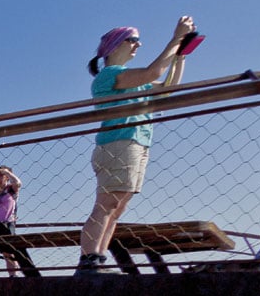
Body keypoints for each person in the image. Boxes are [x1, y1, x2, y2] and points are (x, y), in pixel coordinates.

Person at [76, 16, 195, 274]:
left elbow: (165, 89)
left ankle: (97, 258)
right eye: (133, 40)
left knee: (116, 207)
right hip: (119, 142)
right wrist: (174, 40)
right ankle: (88, 261)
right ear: (114, 46)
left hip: (136, 143)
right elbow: (154, 73)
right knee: (107, 203)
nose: (138, 45)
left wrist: (180, 55)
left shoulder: (130, 79)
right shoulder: (110, 74)